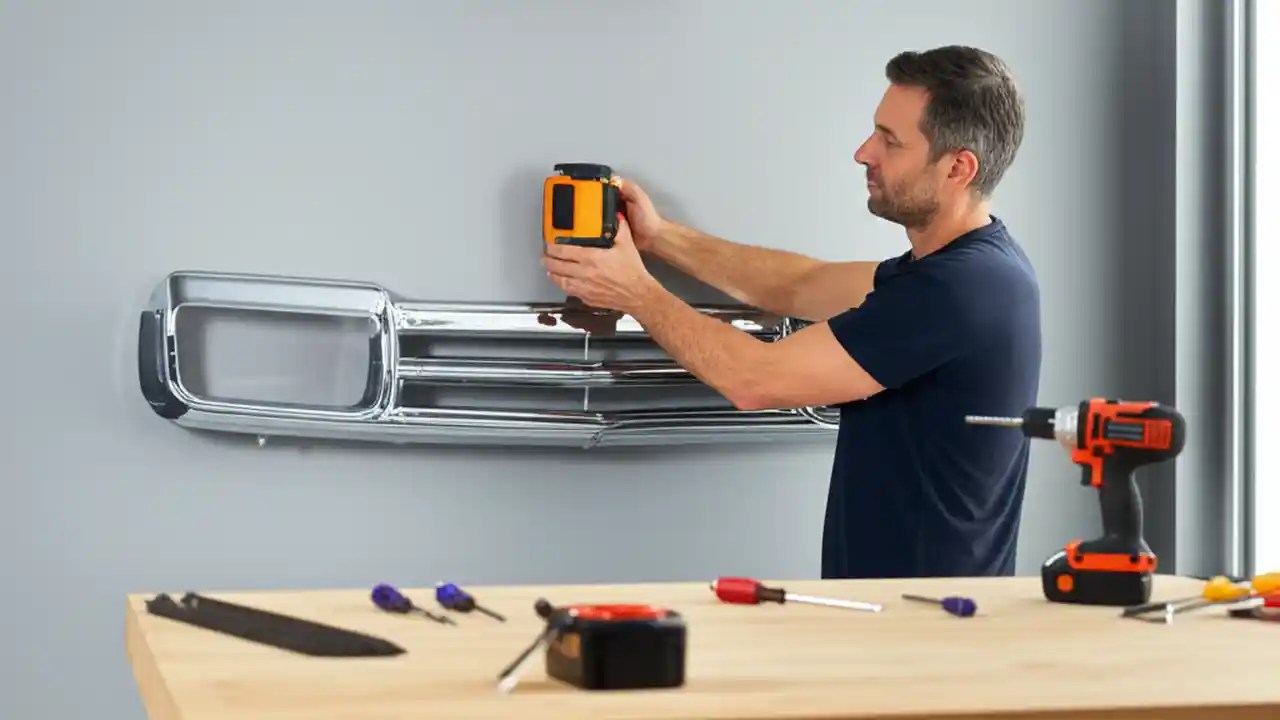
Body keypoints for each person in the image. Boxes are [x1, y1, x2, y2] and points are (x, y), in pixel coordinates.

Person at [541, 45, 1041, 579]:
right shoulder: (969, 269)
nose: (863, 152)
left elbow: (754, 379)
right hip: (903, 615)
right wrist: (661, 237)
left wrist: (636, 293)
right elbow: (801, 284)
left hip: (920, 633)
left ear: (958, 167)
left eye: (890, 141)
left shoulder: (957, 290)